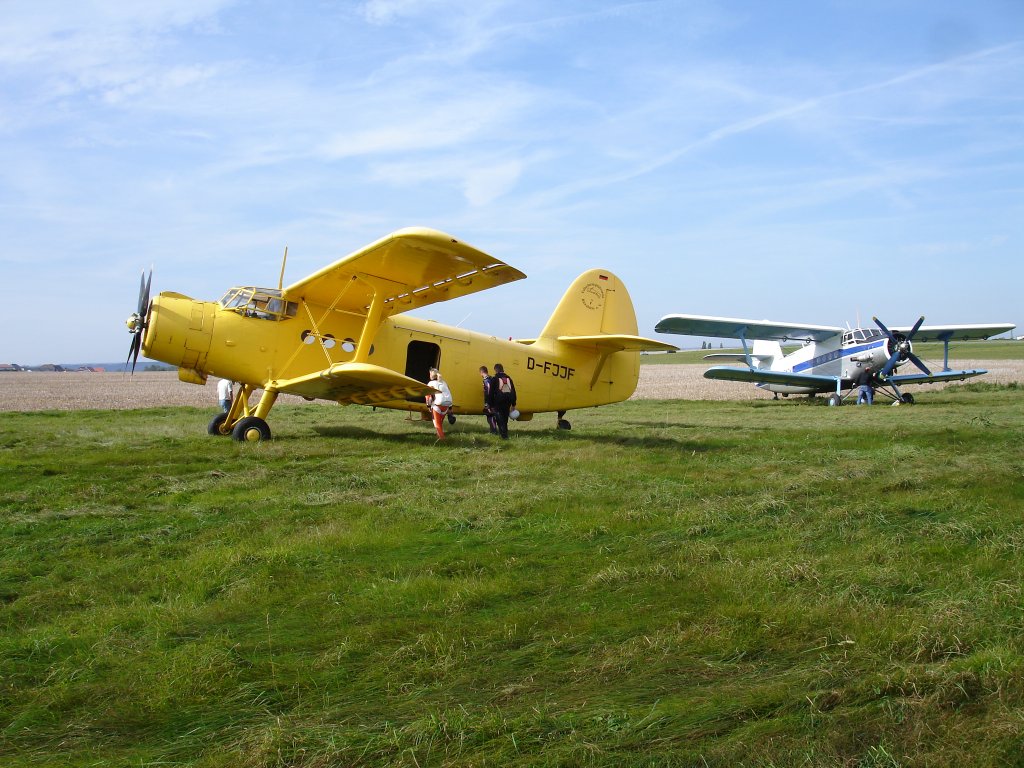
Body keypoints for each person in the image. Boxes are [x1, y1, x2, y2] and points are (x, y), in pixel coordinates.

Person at [487, 363, 517, 439]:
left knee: (499, 419)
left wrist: (490, 405)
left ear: (495, 370)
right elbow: (513, 391)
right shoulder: (509, 378)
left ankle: (504, 435)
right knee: (505, 418)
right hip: (508, 401)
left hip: (499, 401)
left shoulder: (495, 379)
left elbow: (490, 393)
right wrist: (513, 404)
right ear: (503, 369)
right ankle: (505, 433)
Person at [425, 367, 453, 439]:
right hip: (447, 405)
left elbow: (428, 396)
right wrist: (450, 408)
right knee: (440, 423)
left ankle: (442, 440)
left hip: (437, 405)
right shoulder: (444, 383)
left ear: (431, 375)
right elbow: (449, 393)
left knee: (437, 424)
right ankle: (438, 435)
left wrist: (428, 406)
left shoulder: (430, 383)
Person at [479, 366, 498, 434]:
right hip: (494, 400)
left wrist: (487, 404)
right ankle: (493, 430)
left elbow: (488, 392)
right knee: (491, 415)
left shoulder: (487, 380)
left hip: (490, 402)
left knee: (490, 416)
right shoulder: (491, 378)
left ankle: (494, 431)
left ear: (481, 372)